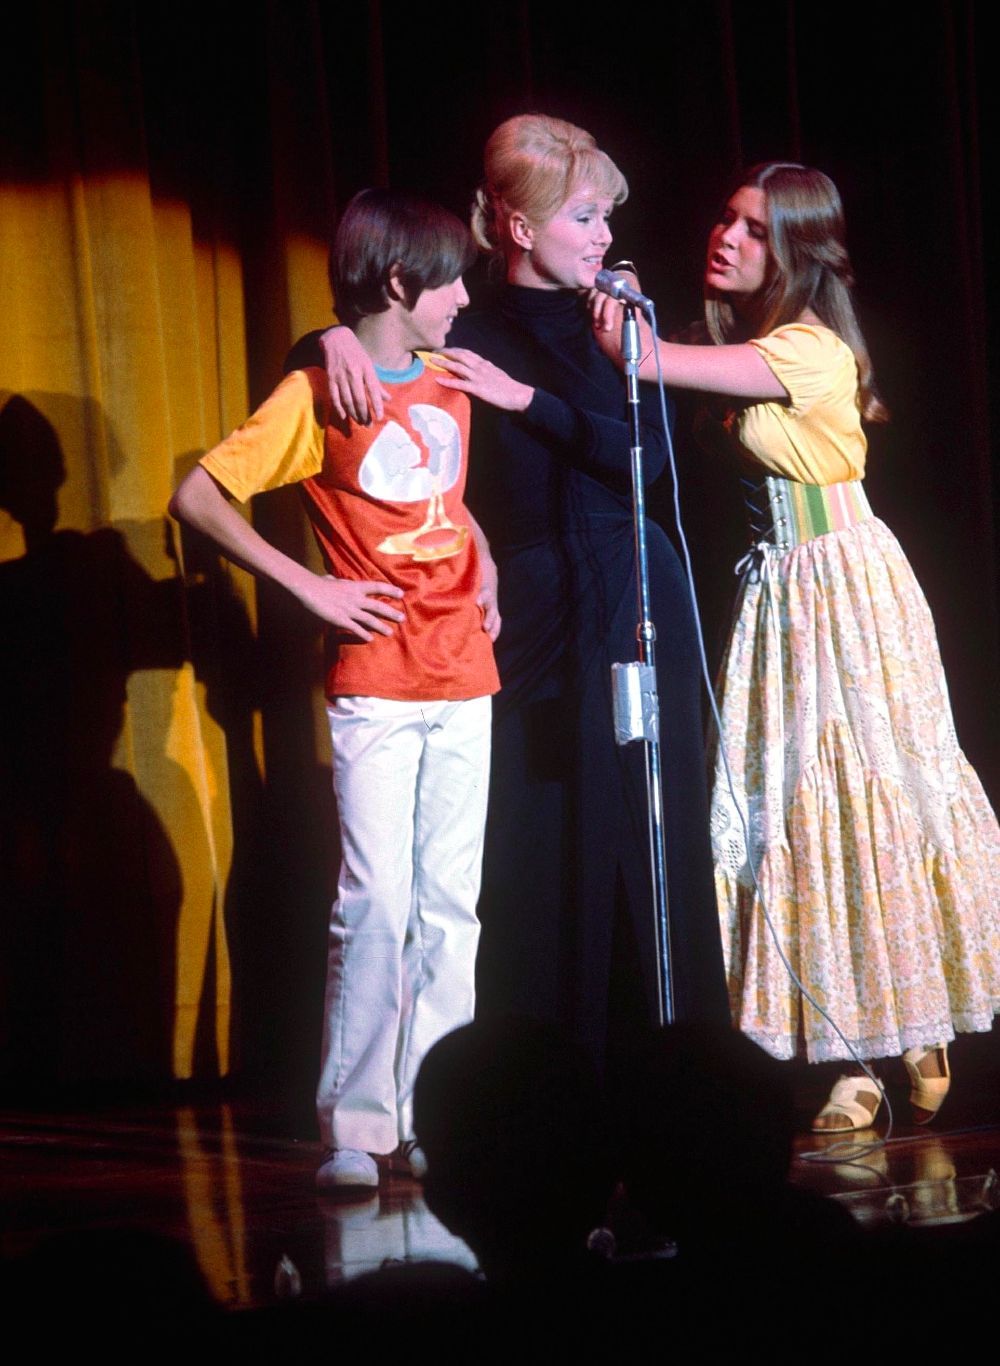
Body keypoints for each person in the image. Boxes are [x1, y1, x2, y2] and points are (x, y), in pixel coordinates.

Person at [594, 162, 1000, 1130]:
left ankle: (914, 1021)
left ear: (793, 253)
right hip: (780, 591)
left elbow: (641, 359)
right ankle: (852, 1051)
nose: (725, 237)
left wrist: (601, 296)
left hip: (845, 587)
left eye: (751, 230)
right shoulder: (747, 340)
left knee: (869, 791)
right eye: (725, 219)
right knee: (794, 808)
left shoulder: (808, 348)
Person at [317, 116, 728, 1067]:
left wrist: (529, 399)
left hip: (633, 579)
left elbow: (646, 460)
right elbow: (376, 342)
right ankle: (551, 1062)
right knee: (541, 826)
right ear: (517, 224)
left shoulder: (616, 326)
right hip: (530, 594)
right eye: (585, 215)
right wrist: (328, 335)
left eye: (605, 216)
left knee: (649, 818)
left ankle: (677, 1057)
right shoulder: (466, 316)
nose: (604, 236)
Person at [169, 189, 524, 1189]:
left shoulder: (451, 374)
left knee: (453, 905)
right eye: (449, 278)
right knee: (374, 900)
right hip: (378, 675)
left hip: (466, 668)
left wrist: (484, 551)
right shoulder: (321, 388)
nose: (465, 296)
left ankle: (437, 1113)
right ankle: (360, 1126)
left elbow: (442, 497)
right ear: (401, 283)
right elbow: (197, 494)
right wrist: (309, 586)